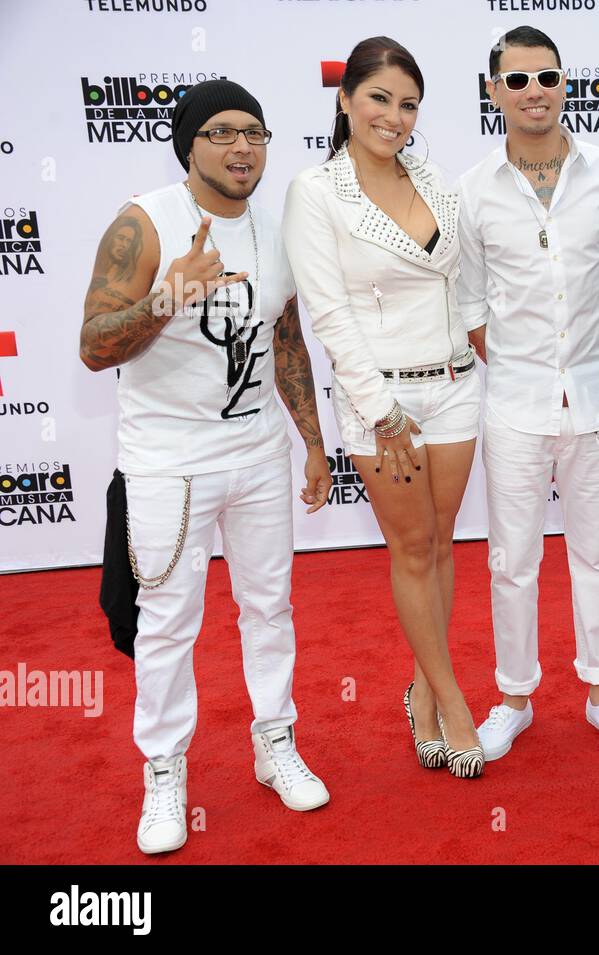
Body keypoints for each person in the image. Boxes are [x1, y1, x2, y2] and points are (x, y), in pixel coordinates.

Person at [79, 79, 332, 855]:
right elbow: (92, 347)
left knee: (270, 608)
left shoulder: (275, 230)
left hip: (258, 454)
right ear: (188, 143)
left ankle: (274, 741)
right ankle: (164, 770)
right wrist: (166, 298)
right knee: (166, 626)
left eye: (253, 132)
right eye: (221, 132)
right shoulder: (146, 221)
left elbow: (286, 339)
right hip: (167, 463)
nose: (241, 146)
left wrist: (314, 443)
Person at [282, 36, 484, 778]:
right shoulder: (316, 191)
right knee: (409, 547)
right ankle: (450, 698)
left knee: (440, 544)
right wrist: (381, 411)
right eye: (379, 99)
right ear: (345, 99)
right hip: (383, 399)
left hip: (456, 385)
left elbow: (458, 284)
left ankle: (420, 689)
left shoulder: (435, 179)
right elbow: (327, 315)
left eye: (408, 105)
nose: (394, 117)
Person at [457, 25, 599, 760]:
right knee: (512, 557)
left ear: (566, 84)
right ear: (494, 91)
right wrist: (526, 368)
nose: (532, 91)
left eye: (546, 77)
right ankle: (514, 696)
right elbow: (473, 308)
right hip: (513, 403)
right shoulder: (473, 190)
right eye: (517, 79)